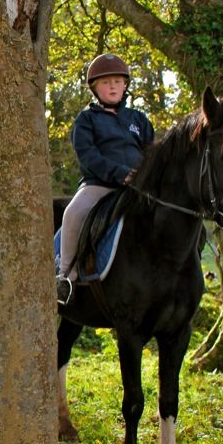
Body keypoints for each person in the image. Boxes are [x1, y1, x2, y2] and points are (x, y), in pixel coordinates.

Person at [57, 53, 154, 305]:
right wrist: (121, 174)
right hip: (100, 185)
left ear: (125, 86)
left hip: (138, 187)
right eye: (106, 82)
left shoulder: (138, 120)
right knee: (73, 212)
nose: (112, 86)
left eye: (117, 81)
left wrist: (144, 175)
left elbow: (151, 152)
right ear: (94, 88)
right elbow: (89, 156)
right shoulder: (86, 120)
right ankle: (65, 274)